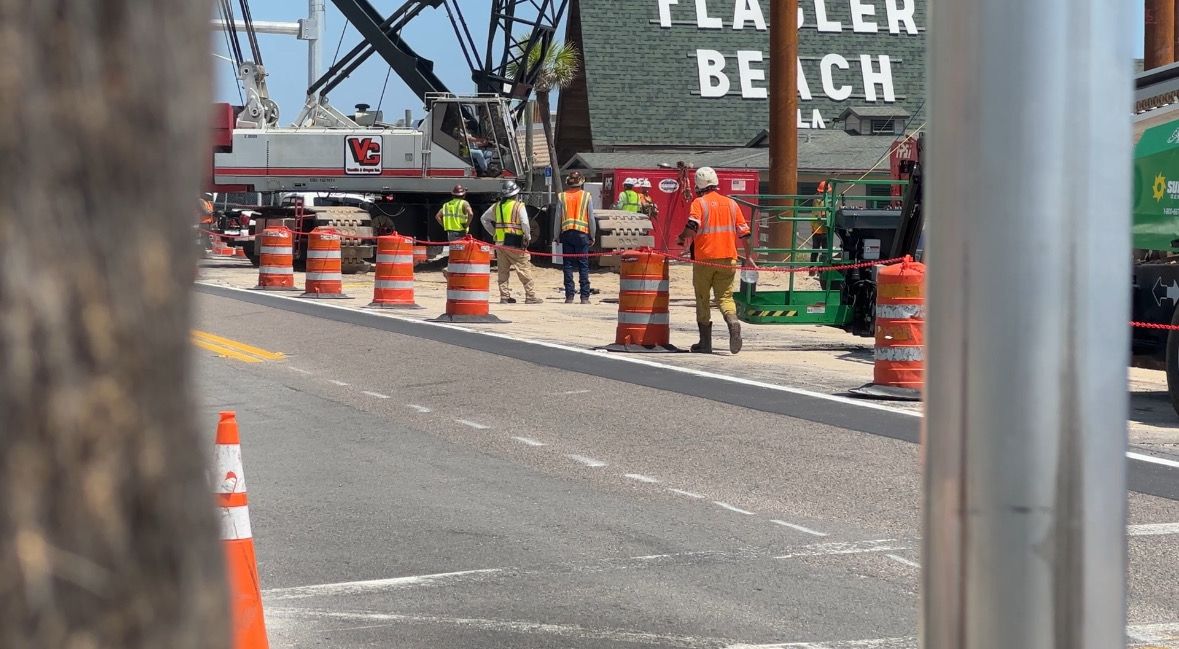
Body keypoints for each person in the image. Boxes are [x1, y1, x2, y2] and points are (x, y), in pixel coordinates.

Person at [676, 166, 755, 355]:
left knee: (702, 298)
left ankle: (705, 343)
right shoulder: (731, 204)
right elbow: (745, 234)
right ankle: (734, 324)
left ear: (699, 185)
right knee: (725, 297)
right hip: (729, 259)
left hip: (705, 260)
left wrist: (681, 237)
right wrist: (749, 257)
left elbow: (692, 227)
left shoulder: (699, 203)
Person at [480, 180, 542, 304]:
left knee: (503, 271)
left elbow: (484, 219)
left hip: (500, 243)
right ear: (515, 194)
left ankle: (504, 297)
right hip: (515, 243)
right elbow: (525, 223)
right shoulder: (518, 206)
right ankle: (530, 296)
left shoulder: (497, 206)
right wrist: (527, 236)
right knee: (523, 269)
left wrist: (494, 233)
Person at [555, 171, 596, 304]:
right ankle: (584, 297)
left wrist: (556, 235)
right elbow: (591, 218)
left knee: (568, 265)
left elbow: (557, 218)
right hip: (582, 234)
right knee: (583, 266)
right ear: (581, 182)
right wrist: (592, 235)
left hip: (567, 234)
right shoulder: (586, 196)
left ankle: (569, 296)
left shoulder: (562, 196)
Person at [809, 180, 831, 276]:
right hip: (821, 230)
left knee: (815, 250)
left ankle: (812, 269)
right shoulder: (820, 201)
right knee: (824, 251)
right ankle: (821, 270)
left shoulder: (817, 200)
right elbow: (822, 215)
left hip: (816, 229)